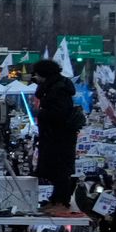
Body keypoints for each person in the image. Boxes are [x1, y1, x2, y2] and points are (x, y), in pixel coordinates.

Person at [32, 58, 82, 212]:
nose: (34, 77)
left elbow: (58, 114)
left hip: (60, 138)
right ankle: (55, 200)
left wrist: (40, 113)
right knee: (52, 170)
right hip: (52, 137)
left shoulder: (58, 90)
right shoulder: (53, 88)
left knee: (60, 171)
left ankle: (61, 201)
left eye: (37, 74)